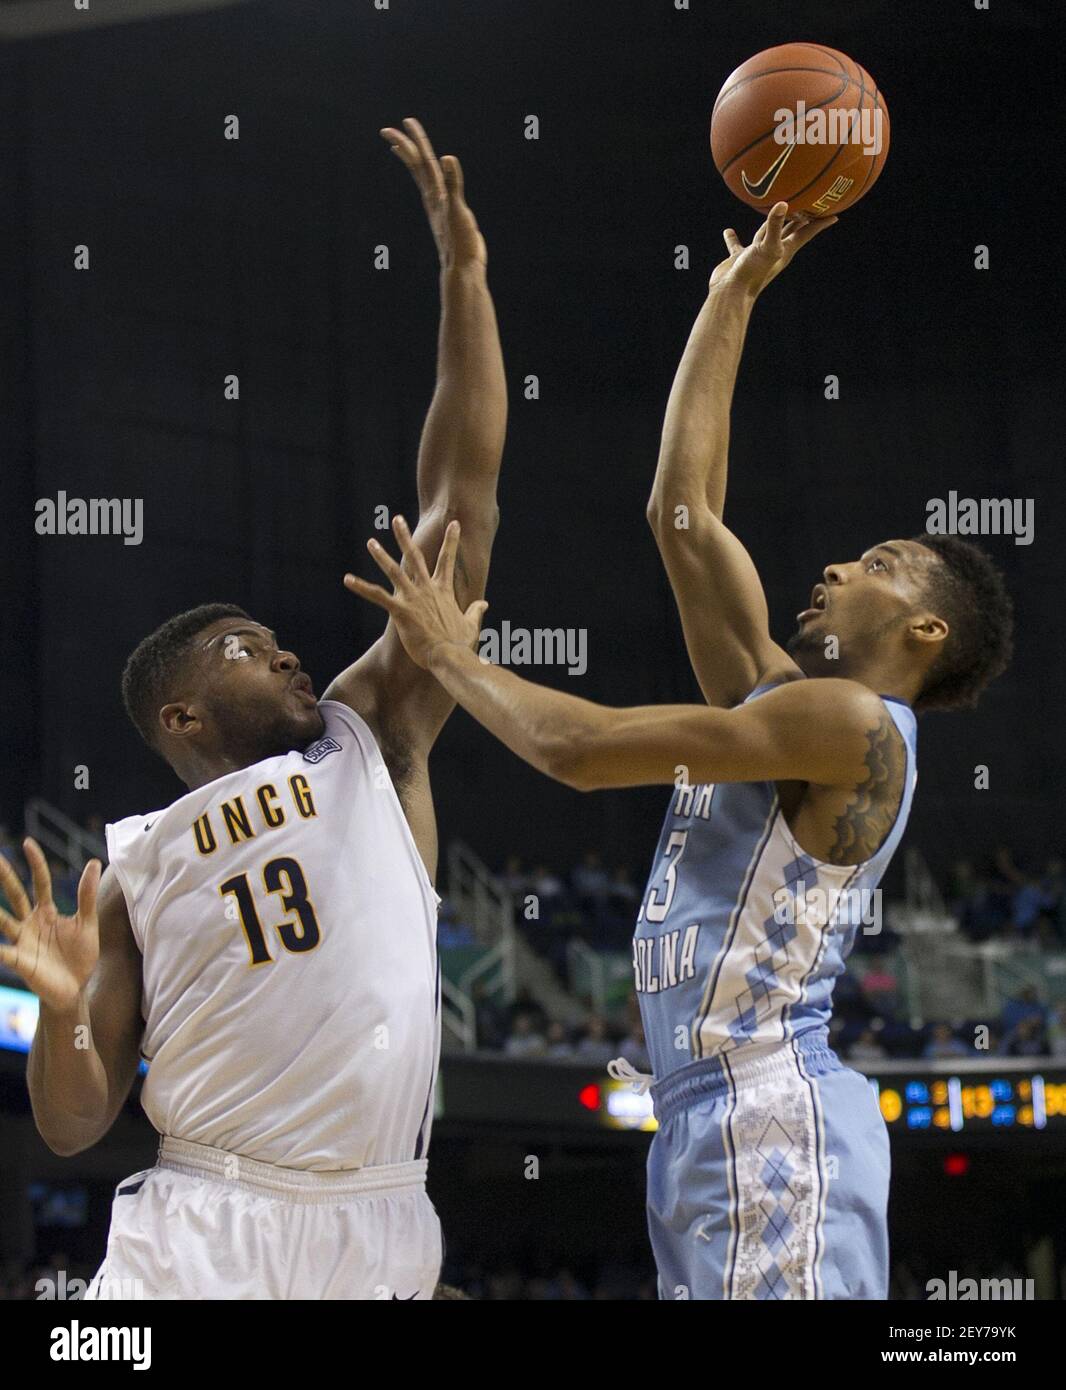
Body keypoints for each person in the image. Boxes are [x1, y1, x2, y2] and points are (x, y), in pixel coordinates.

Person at [347, 201, 1013, 1301]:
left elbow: (579, 749)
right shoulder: (791, 706)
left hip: (768, 1108)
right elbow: (682, 510)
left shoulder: (846, 728)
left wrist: (449, 657)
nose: (840, 567)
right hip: (703, 1117)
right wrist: (730, 295)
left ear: (925, 632)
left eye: (880, 564)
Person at [0, 119, 506, 1301]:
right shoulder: (133, 870)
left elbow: (460, 503)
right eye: (245, 649)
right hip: (204, 1218)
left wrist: (464, 283)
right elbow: (74, 1125)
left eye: (278, 643)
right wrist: (65, 1012)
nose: (284, 653)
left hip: (380, 1212)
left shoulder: (365, 733)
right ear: (178, 716)